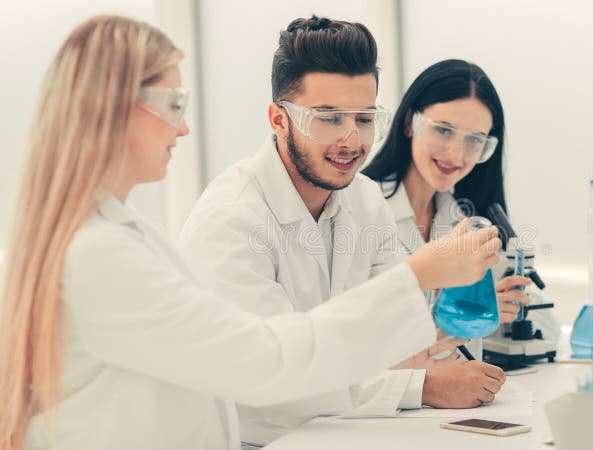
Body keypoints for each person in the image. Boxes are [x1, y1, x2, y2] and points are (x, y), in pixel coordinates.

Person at [0, 16, 501, 450]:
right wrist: (418, 278)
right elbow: (269, 365)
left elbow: (383, 349)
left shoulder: (126, 236)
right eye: (173, 105)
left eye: (365, 118)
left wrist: (421, 319)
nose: (184, 129)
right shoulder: (117, 251)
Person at [179, 17, 507, 447]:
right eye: (329, 119)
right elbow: (272, 382)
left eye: (364, 118)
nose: (352, 140)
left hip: (342, 434)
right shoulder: (230, 221)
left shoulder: (363, 199)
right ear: (279, 119)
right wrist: (422, 386)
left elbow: (397, 346)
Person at [362, 59, 562, 358]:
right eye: (443, 130)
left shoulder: (464, 219)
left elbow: (547, 325)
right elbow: (355, 335)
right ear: (408, 124)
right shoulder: (361, 206)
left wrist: (495, 311)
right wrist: (460, 313)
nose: (456, 153)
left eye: (474, 140)